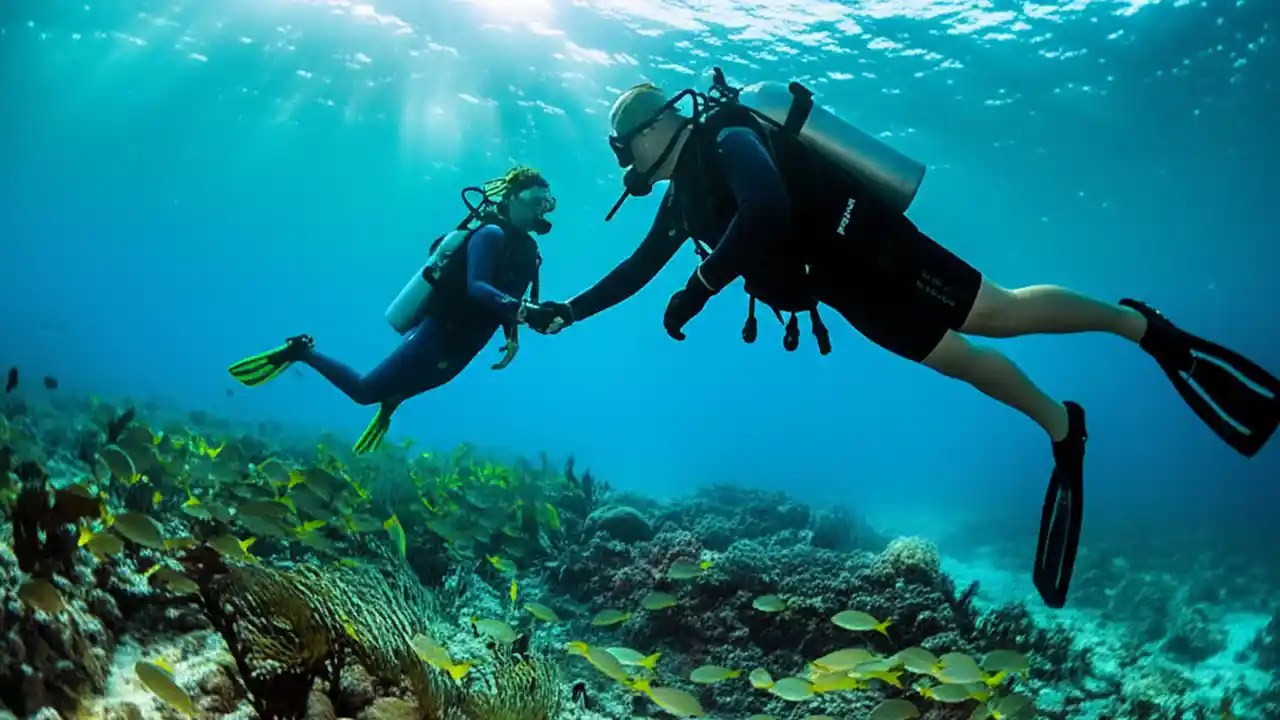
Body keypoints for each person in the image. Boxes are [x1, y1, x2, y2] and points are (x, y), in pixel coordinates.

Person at [527, 72, 1280, 609]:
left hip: (878, 252)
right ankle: (1063, 424)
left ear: (657, 126)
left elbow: (764, 209)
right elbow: (634, 270)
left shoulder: (725, 135)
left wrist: (700, 287)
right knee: (959, 362)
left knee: (1002, 313)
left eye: (625, 147)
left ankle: (1140, 326)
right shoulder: (682, 196)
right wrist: (569, 309)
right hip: (846, 290)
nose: (624, 164)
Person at [228, 166, 561, 454]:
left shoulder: (528, 251)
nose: (542, 211)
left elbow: (509, 295)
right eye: (536, 202)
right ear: (513, 197)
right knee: (364, 392)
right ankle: (301, 351)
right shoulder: (489, 234)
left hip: (470, 341)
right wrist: (524, 314)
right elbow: (478, 287)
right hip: (442, 329)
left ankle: (392, 400)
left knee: (414, 387)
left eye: (547, 204)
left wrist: (512, 333)